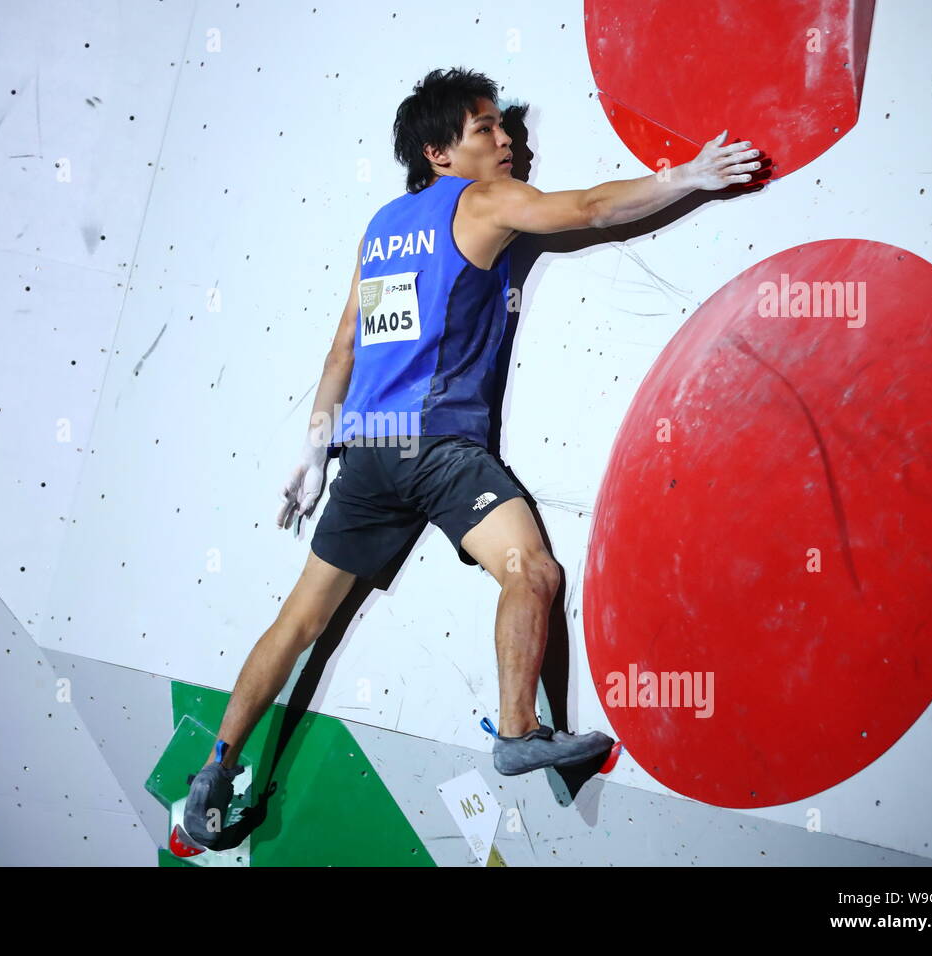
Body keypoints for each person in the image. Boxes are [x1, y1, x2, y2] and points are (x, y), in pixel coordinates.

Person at [175, 67, 762, 851]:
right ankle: (519, 730)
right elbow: (587, 209)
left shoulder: (384, 227)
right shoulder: (479, 201)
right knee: (533, 571)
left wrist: (316, 451)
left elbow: (348, 345)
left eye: (503, 127)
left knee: (299, 619)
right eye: (486, 128)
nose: (506, 139)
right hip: (438, 448)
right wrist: (687, 178)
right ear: (440, 153)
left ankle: (216, 766)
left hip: (370, 455)